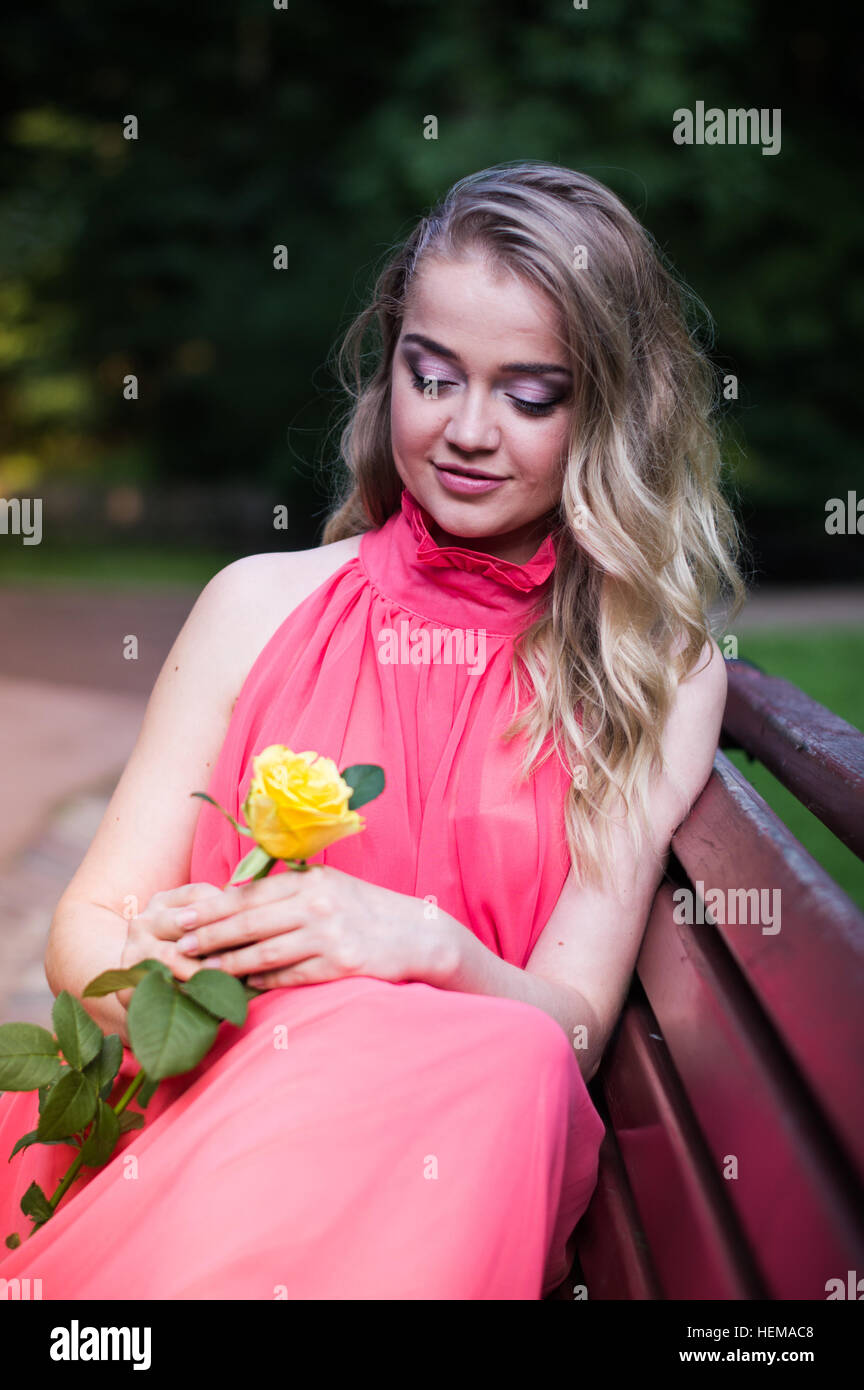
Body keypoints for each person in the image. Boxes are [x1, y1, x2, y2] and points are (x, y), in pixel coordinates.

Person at [0, 160, 742, 1300]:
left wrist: (420, 944)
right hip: (216, 1129)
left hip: (446, 1156)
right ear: (388, 365)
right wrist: (193, 975)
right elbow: (83, 932)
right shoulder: (256, 605)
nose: (468, 430)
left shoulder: (655, 672)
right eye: (432, 376)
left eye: (530, 396)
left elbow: (572, 1030)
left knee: (512, 1052)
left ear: (609, 407)